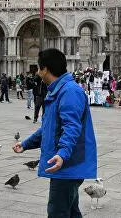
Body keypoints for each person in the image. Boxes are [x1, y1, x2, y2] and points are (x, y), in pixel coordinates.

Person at [13, 49, 97, 218]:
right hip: (64, 162)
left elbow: (71, 128)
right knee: (71, 210)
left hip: (67, 164)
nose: (37, 73)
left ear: (45, 69)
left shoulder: (69, 92)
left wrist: (63, 154)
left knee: (57, 212)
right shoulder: (59, 90)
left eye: (38, 68)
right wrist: (26, 144)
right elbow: (49, 128)